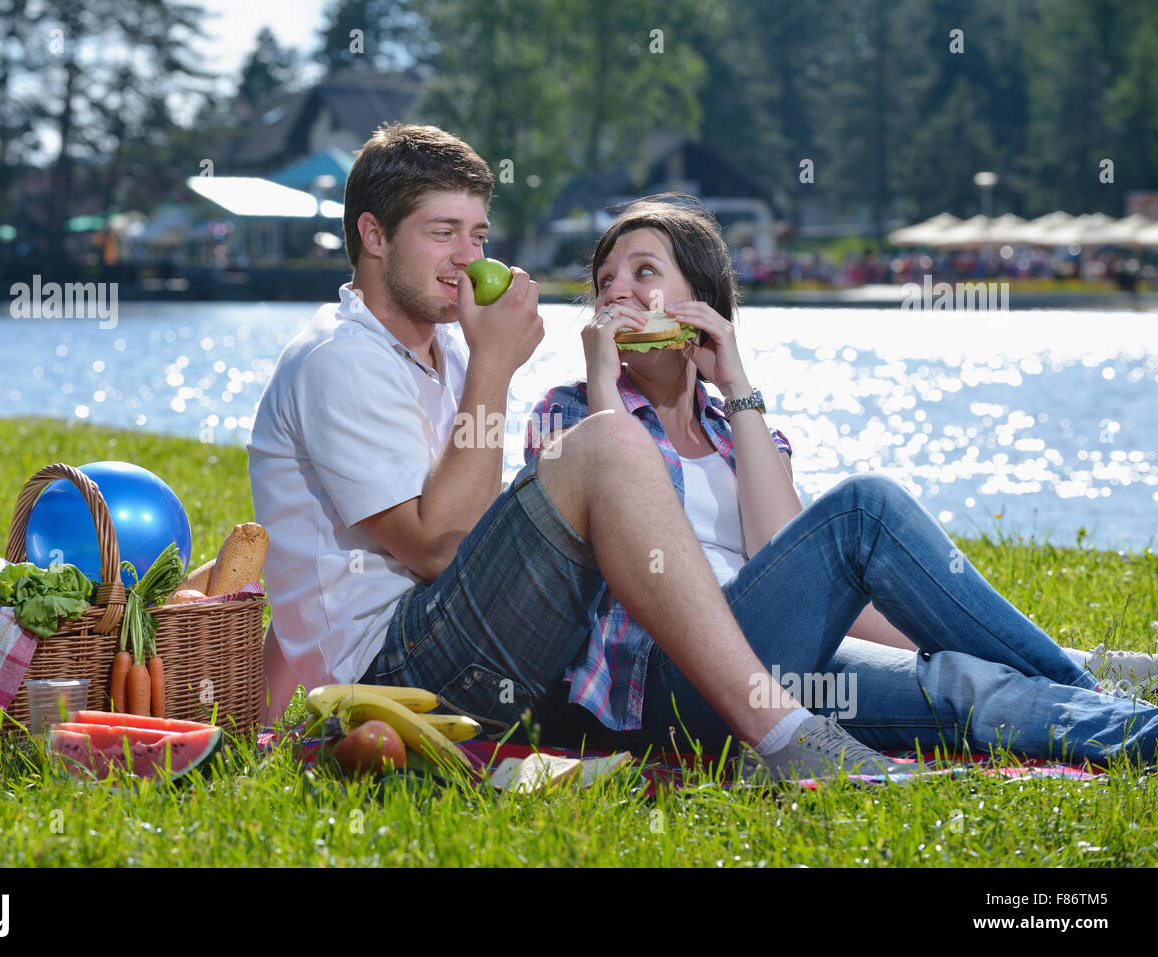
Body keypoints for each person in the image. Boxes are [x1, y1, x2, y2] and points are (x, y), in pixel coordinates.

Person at [247, 123, 917, 781]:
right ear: (373, 234)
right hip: (393, 681)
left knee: (930, 676)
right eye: (441, 232)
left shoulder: (445, 346)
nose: (467, 257)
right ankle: (781, 733)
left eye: (477, 235)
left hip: (465, 648)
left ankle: (918, 695)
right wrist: (495, 366)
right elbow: (440, 549)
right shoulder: (340, 360)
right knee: (607, 440)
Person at [519, 192, 1158, 767]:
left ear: (700, 303)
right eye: (604, 281)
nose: (615, 293)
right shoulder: (569, 411)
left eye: (644, 272)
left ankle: (1135, 728)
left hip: (778, 661)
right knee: (865, 509)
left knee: (962, 684)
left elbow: (776, 552)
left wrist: (738, 386)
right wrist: (603, 378)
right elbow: (613, 487)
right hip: (671, 682)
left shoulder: (738, 430)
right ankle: (1090, 680)